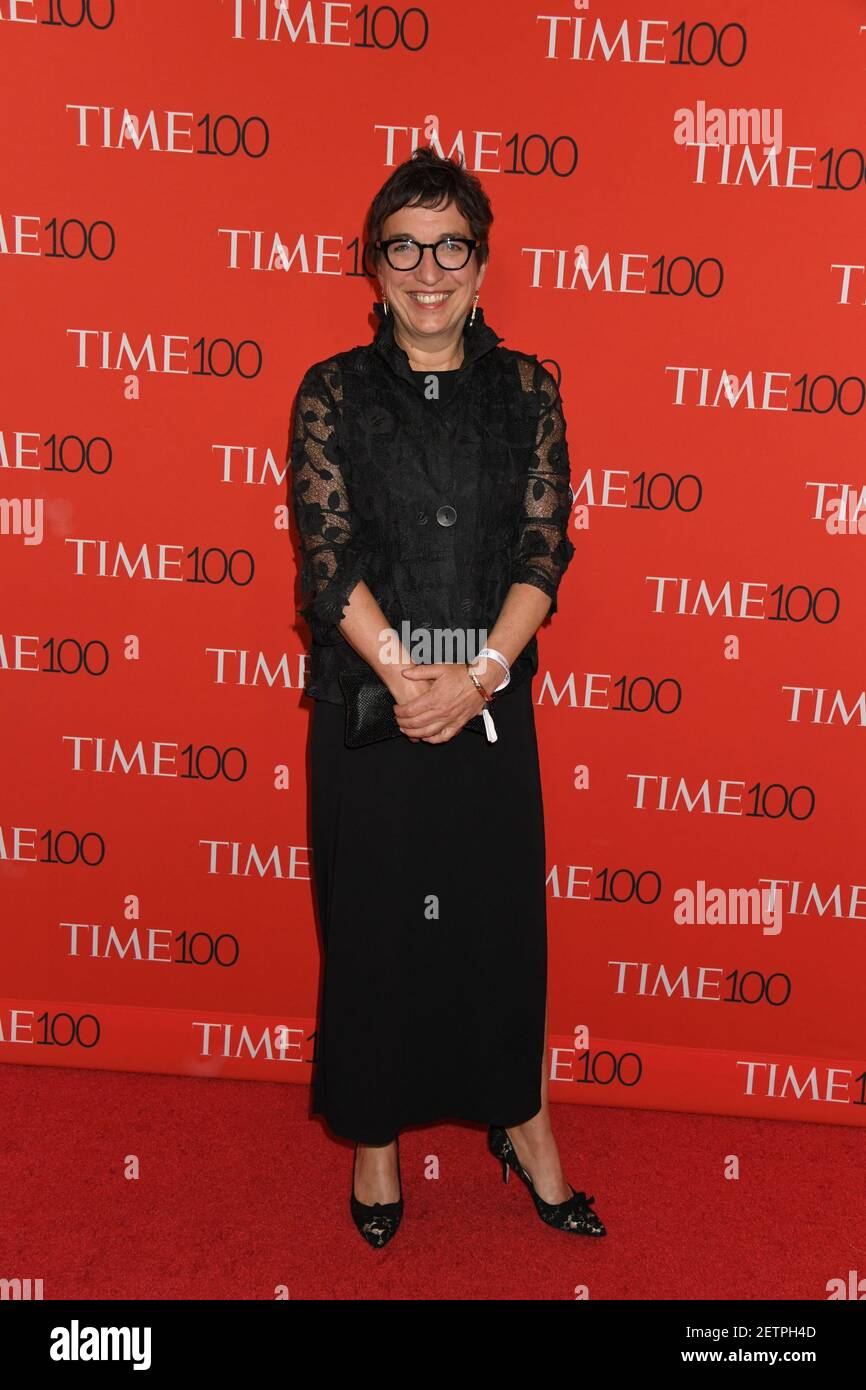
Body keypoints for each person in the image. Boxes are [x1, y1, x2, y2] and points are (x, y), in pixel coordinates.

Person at [289, 147, 606, 1247]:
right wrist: (404, 675)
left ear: (480, 262)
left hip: (485, 694)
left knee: (498, 927)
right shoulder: (330, 388)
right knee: (374, 928)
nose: (428, 269)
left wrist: (474, 675)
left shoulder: (527, 390)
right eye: (404, 247)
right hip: (371, 706)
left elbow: (540, 547)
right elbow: (326, 559)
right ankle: (374, 1140)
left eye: (450, 246)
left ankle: (523, 1125)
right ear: (372, 267)